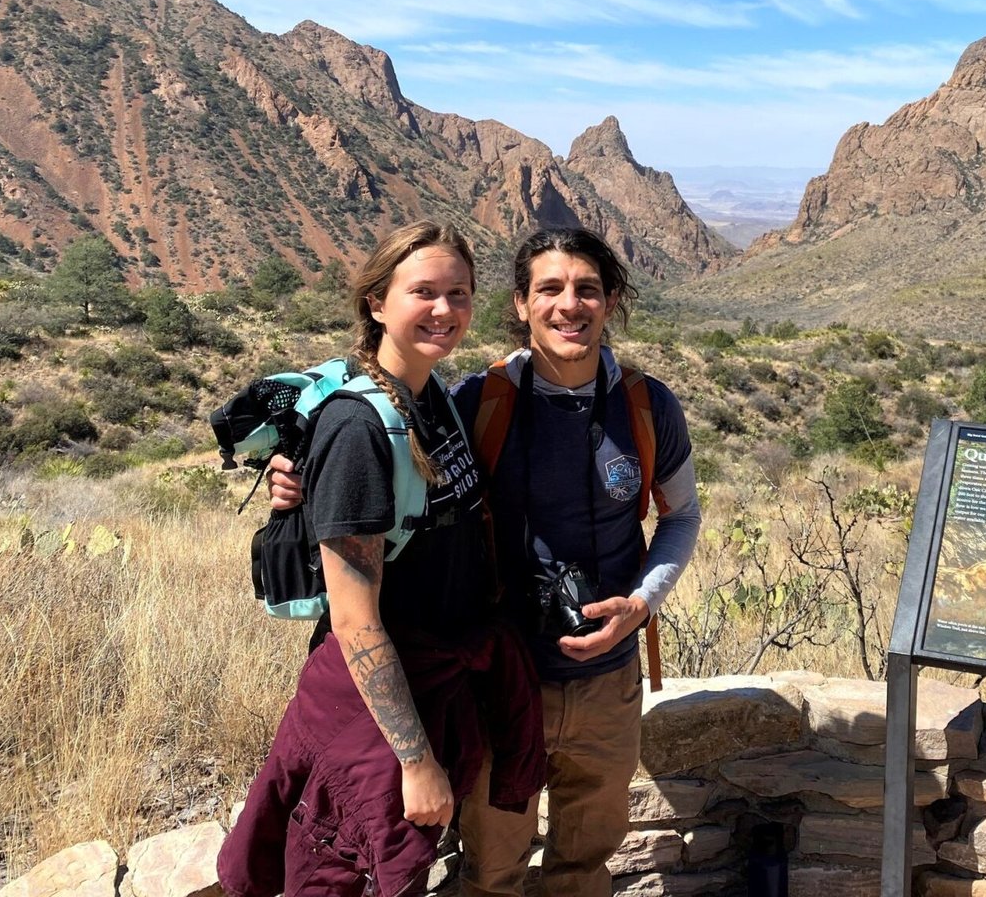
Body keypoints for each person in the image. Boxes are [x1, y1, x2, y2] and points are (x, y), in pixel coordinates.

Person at [270, 227, 700, 897]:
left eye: (587, 289)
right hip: (504, 681)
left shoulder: (648, 407)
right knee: (492, 869)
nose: (570, 305)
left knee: (584, 867)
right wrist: (299, 466)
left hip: (611, 686)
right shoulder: (477, 403)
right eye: (549, 289)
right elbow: (374, 443)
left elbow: (681, 517)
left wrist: (644, 603)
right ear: (521, 305)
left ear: (611, 300)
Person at [219, 222, 545, 897]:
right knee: (344, 876)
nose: (445, 310)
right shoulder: (358, 428)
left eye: (458, 293)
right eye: (423, 291)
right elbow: (356, 619)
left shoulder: (431, 399)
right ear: (376, 303)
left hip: (433, 683)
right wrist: (416, 760)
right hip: (373, 716)